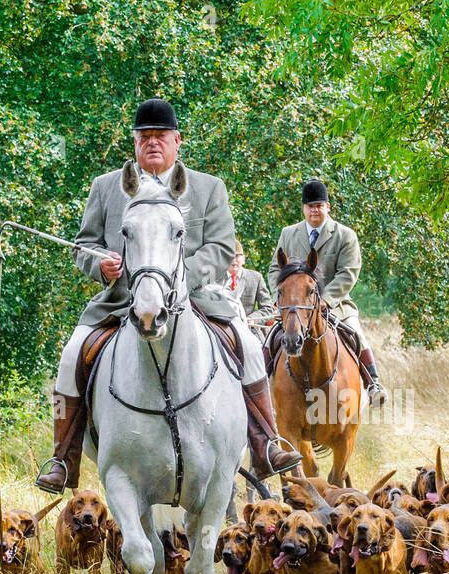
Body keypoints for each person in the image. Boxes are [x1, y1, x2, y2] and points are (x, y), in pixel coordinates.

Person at [35, 99, 302, 493]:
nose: (152, 144)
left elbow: (222, 247)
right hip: (121, 300)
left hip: (196, 298)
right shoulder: (107, 187)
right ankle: (62, 458)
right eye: (144, 137)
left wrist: (179, 281)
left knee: (246, 343)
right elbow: (84, 245)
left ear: (177, 141)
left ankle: (267, 443)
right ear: (135, 143)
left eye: (161, 136)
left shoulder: (209, 186)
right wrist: (102, 266)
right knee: (73, 353)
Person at [265, 179, 387, 405]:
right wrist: (278, 297)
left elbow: (348, 273)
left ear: (327, 207)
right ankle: (260, 387)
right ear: (303, 208)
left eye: (319, 206)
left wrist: (326, 300)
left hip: (335, 305)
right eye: (310, 206)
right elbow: (275, 269)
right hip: (296, 306)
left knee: (355, 333)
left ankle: (373, 384)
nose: (314, 210)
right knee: (270, 339)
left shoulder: (345, 235)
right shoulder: (288, 234)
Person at [229, 240, 274, 325]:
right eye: (229, 256)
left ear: (243, 259)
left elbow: (268, 308)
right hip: (221, 331)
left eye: (237, 256)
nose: (233, 260)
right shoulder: (216, 279)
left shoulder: (256, 278)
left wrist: (252, 319)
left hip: (250, 330)